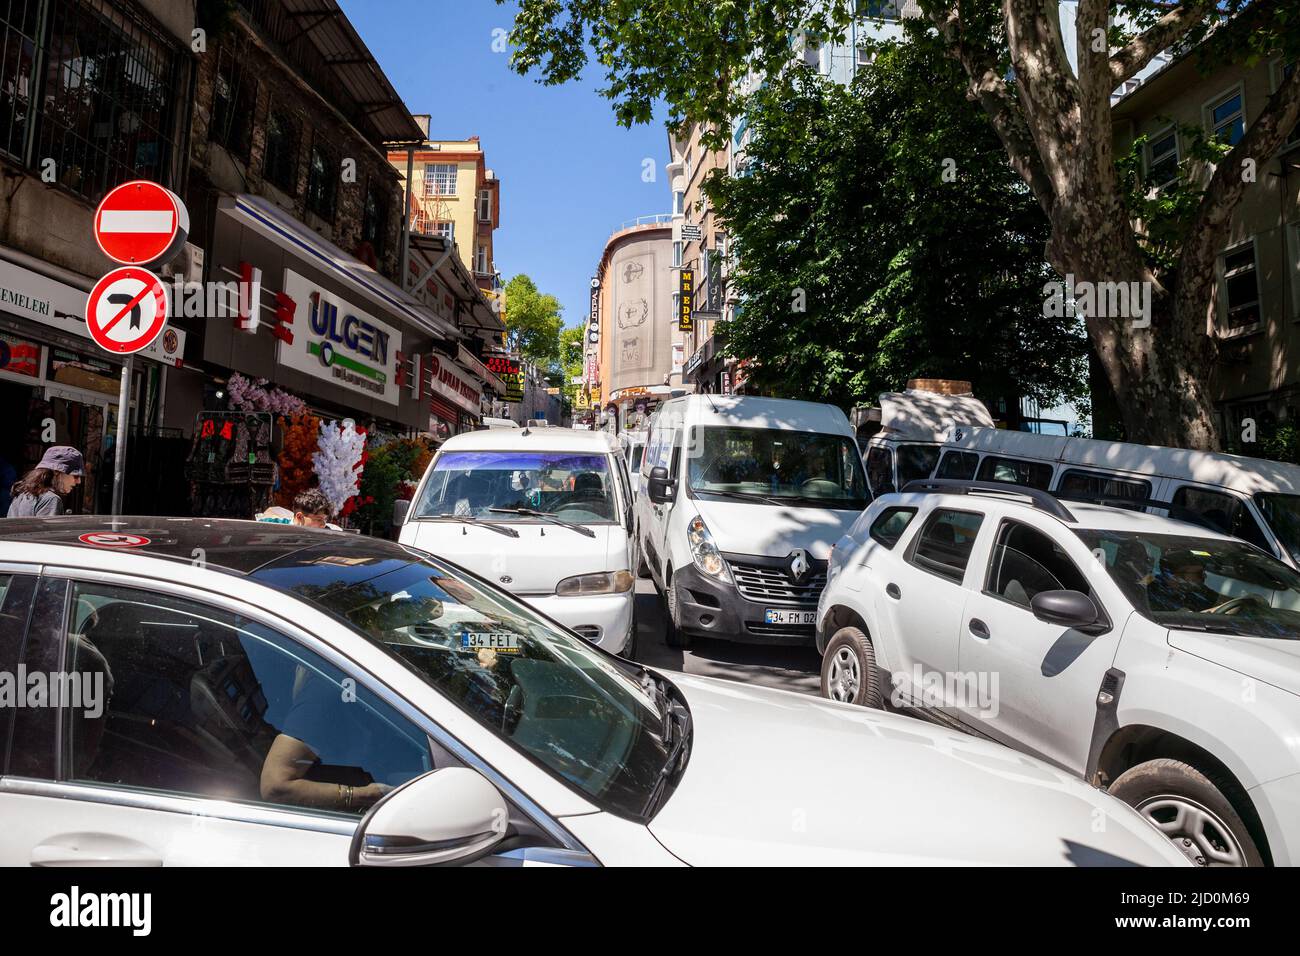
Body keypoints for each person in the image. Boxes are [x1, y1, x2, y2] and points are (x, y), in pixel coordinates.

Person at [7, 446, 84, 517]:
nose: (78, 481)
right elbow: (48, 532)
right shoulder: (51, 499)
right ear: (57, 472)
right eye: (76, 476)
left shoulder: (22, 494)